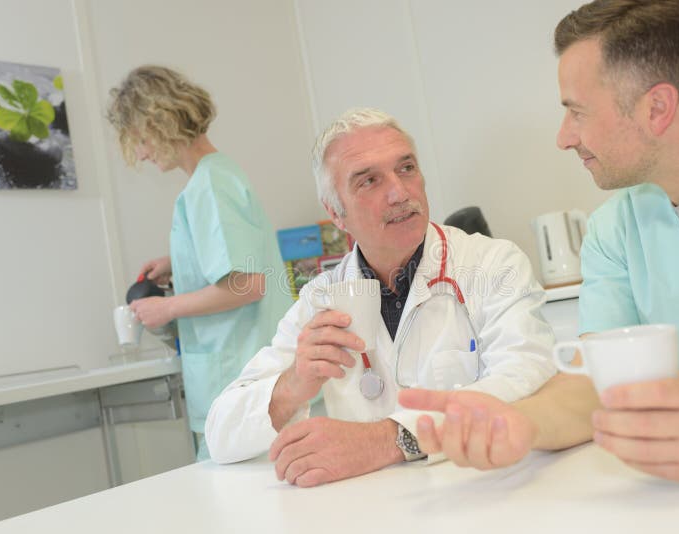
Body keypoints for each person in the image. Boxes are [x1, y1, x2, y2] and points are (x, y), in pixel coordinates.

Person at [400, 0, 679, 483]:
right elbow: (596, 383)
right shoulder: (614, 230)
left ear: (657, 108)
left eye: (577, 112)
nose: (564, 137)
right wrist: (518, 422)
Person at [204, 108, 557, 486]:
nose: (399, 192)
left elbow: (528, 383)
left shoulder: (493, 265)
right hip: (370, 504)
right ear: (336, 213)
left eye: (406, 168)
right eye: (369, 181)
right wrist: (293, 384)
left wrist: (389, 439)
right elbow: (220, 437)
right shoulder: (320, 299)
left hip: (482, 491)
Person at [106, 65, 292, 460]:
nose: (141, 153)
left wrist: (166, 308)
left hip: (242, 385)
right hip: (247, 382)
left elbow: (247, 285)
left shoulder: (210, 185)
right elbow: (238, 257)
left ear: (159, 124)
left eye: (141, 140)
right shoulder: (218, 174)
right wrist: (178, 262)